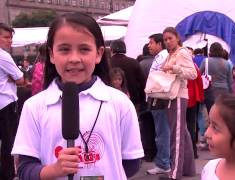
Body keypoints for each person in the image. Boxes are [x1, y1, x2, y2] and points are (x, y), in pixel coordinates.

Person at [11, 12, 144, 180]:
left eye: (84, 49)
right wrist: (54, 170)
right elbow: (24, 169)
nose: (74, 58)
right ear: (52, 54)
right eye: (65, 50)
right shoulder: (34, 107)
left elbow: (131, 162)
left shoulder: (120, 103)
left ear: (99, 53)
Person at [159, 27, 197, 180]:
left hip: (179, 96)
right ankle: (188, 169)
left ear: (177, 38)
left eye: (170, 38)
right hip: (172, 96)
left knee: (177, 135)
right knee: (182, 133)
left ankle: (175, 174)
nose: (167, 41)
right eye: (165, 39)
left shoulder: (182, 52)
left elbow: (193, 73)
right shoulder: (171, 54)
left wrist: (173, 68)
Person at [0, 22, 25, 180]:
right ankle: (8, 175)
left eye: (11, 38)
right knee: (9, 142)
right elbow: (21, 79)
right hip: (6, 104)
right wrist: (12, 78)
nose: (10, 41)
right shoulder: (3, 55)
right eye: (6, 37)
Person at [146, 33, 171, 175]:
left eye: (151, 42)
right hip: (158, 99)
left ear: (159, 44)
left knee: (162, 133)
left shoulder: (163, 57)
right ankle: (164, 161)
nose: (149, 45)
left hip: (160, 99)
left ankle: (163, 163)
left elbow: (160, 79)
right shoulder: (160, 57)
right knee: (162, 132)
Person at [109, 39, 146, 112]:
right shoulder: (133, 62)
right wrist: (141, 101)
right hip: (133, 101)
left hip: (111, 101)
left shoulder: (107, 63)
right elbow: (143, 82)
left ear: (111, 50)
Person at [199, 42, 233, 112]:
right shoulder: (227, 63)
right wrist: (231, 93)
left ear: (210, 51)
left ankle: (212, 122)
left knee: (211, 111)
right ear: (221, 51)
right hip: (224, 91)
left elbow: (199, 74)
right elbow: (230, 81)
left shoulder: (206, 61)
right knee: (221, 112)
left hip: (210, 91)